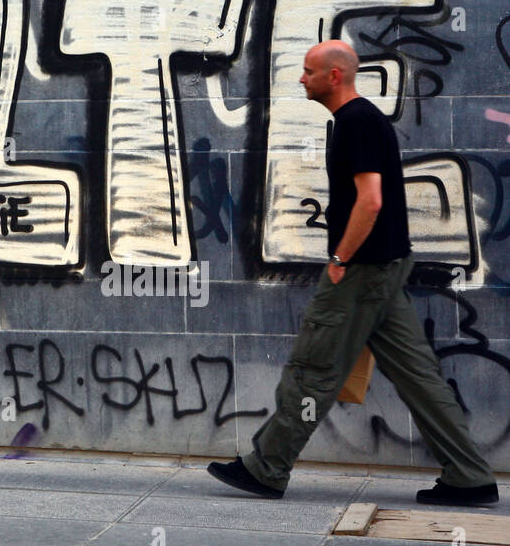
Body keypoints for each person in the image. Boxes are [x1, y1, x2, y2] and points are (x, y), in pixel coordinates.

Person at [207, 39, 499, 506]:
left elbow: (371, 200)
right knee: (419, 376)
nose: (301, 78)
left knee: (312, 369)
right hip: (383, 269)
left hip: (362, 271)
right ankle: (469, 475)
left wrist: (340, 259)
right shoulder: (358, 121)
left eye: (308, 71)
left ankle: (266, 467)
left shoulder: (356, 122)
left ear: (334, 76)